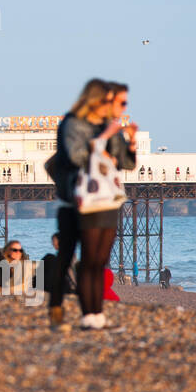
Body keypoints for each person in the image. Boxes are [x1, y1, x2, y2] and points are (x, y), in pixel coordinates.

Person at [46, 79, 137, 330]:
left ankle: (95, 315)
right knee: (70, 257)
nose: (115, 105)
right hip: (76, 199)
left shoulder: (109, 126)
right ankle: (62, 307)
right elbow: (76, 157)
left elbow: (125, 164)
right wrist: (102, 142)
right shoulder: (72, 123)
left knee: (98, 260)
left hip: (106, 198)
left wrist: (131, 142)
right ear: (96, 99)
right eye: (111, 100)